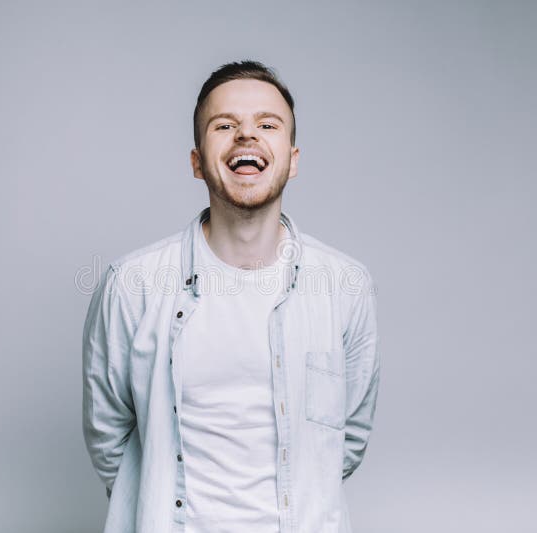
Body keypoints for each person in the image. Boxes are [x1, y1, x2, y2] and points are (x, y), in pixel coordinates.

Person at [82, 60, 380, 533]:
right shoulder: (131, 284)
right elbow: (108, 439)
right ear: (197, 161)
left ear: (293, 157)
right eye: (225, 125)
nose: (246, 136)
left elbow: (348, 440)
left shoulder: (346, 286)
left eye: (267, 124)